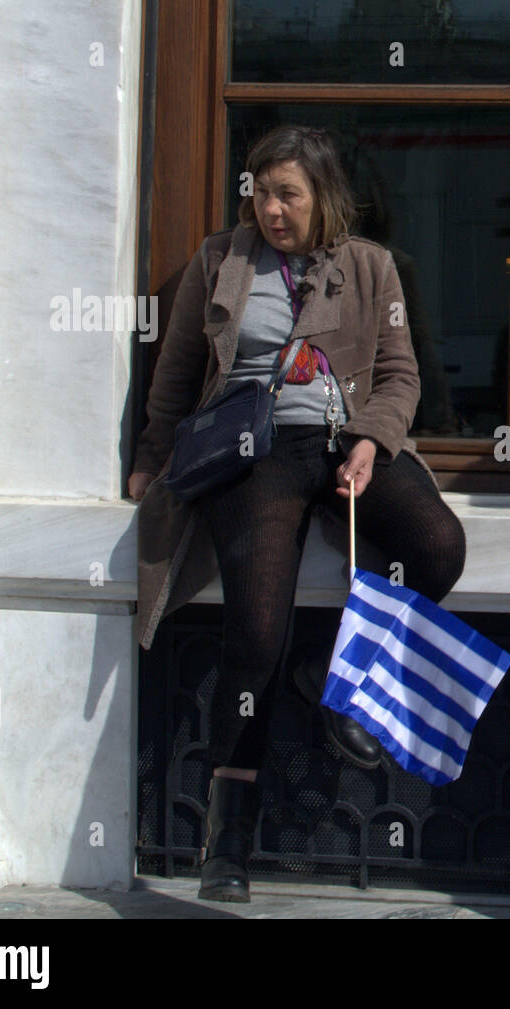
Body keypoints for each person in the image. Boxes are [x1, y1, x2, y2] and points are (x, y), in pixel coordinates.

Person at [129, 125, 466, 902]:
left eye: (288, 194)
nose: (271, 208)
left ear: (324, 198)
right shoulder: (221, 260)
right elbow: (178, 369)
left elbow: (401, 378)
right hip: (254, 448)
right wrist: (152, 454)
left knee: (437, 545)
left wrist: (372, 445)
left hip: (348, 440)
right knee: (254, 629)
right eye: (259, 191)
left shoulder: (372, 266)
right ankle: (227, 840)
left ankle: (335, 670)